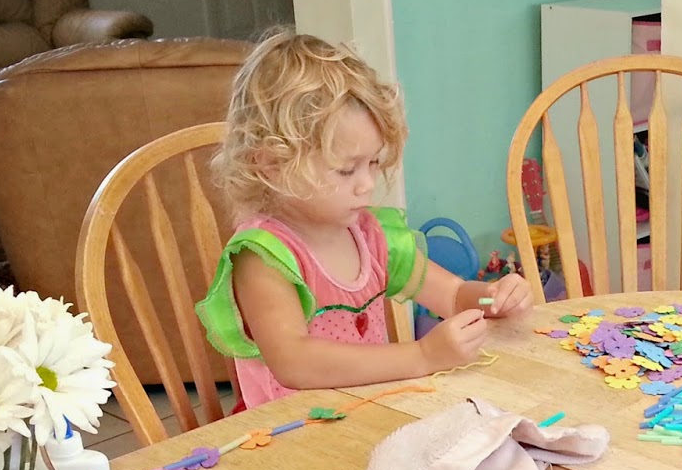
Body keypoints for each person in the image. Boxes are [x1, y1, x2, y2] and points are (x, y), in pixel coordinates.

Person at [195, 31, 531, 408]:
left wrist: (495, 297)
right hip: (291, 435)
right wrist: (422, 356)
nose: (367, 185)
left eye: (373, 163)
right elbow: (295, 363)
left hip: (368, 412)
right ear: (272, 166)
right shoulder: (263, 257)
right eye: (345, 170)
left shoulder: (371, 236)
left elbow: (452, 295)